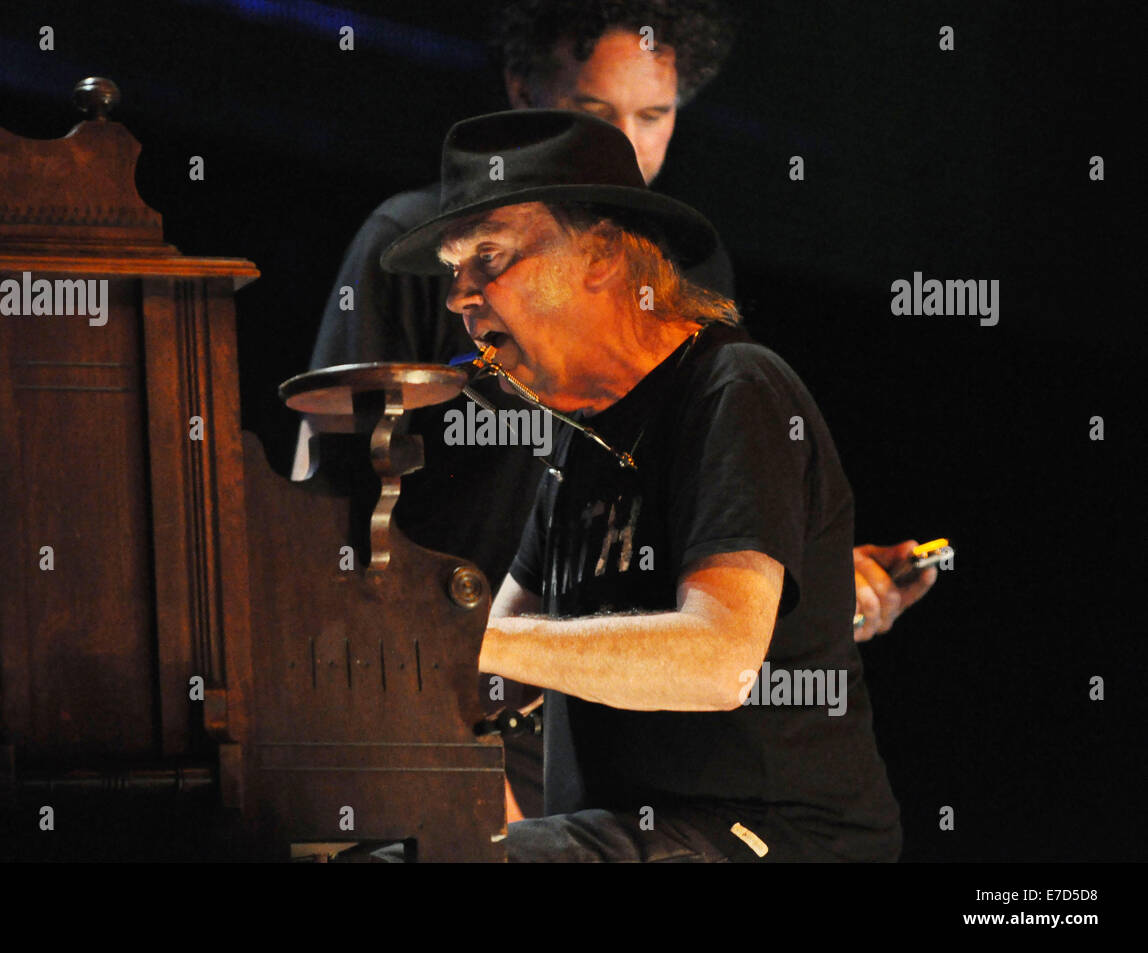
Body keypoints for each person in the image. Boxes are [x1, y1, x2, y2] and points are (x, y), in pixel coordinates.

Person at [299, 0, 935, 820]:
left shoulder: (716, 369)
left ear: (605, 260)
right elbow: (325, 518)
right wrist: (434, 699)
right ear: (523, 94)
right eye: (594, 116)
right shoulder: (576, 433)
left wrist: (801, 578)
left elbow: (714, 630)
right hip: (475, 704)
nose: (624, 151)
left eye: (653, 116)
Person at [381, 108, 902, 862]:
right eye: (453, 269)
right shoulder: (579, 444)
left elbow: (718, 659)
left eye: (488, 257)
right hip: (633, 834)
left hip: (772, 837)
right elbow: (490, 674)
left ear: (598, 254)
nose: (460, 294)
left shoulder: (736, 389)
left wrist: (472, 640)